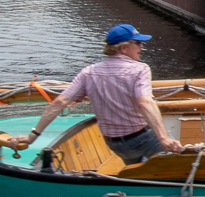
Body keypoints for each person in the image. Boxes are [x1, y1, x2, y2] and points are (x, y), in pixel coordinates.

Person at [10, 24, 186, 163]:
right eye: (138, 43)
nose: (141, 47)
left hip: (114, 144)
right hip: (142, 138)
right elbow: (145, 103)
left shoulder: (89, 72)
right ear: (123, 48)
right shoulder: (140, 70)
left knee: (135, 171)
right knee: (180, 165)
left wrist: (32, 135)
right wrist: (163, 138)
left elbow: (60, 102)